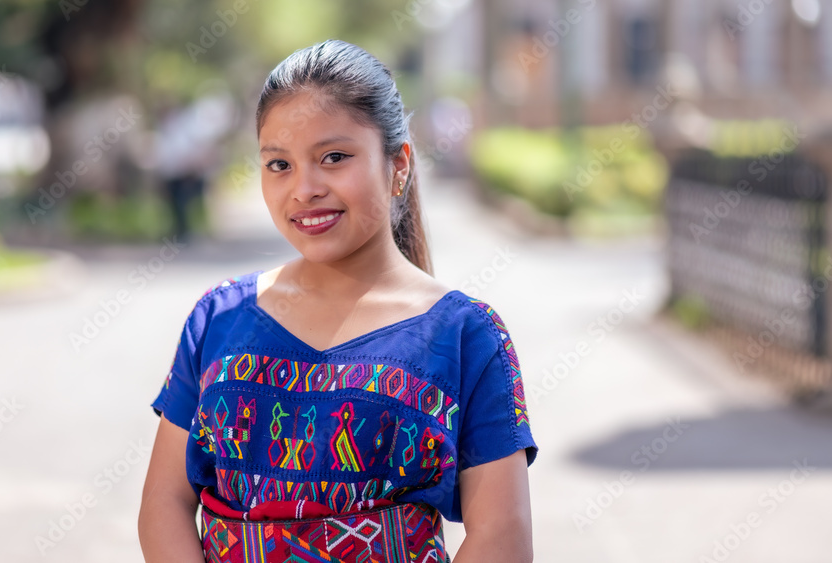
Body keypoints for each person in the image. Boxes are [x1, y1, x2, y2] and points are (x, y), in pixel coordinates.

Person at [138, 39, 538, 563]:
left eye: (334, 157)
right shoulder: (219, 319)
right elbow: (164, 502)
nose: (304, 189)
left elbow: (501, 536)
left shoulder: (465, 335)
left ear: (398, 165)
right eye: (278, 164)